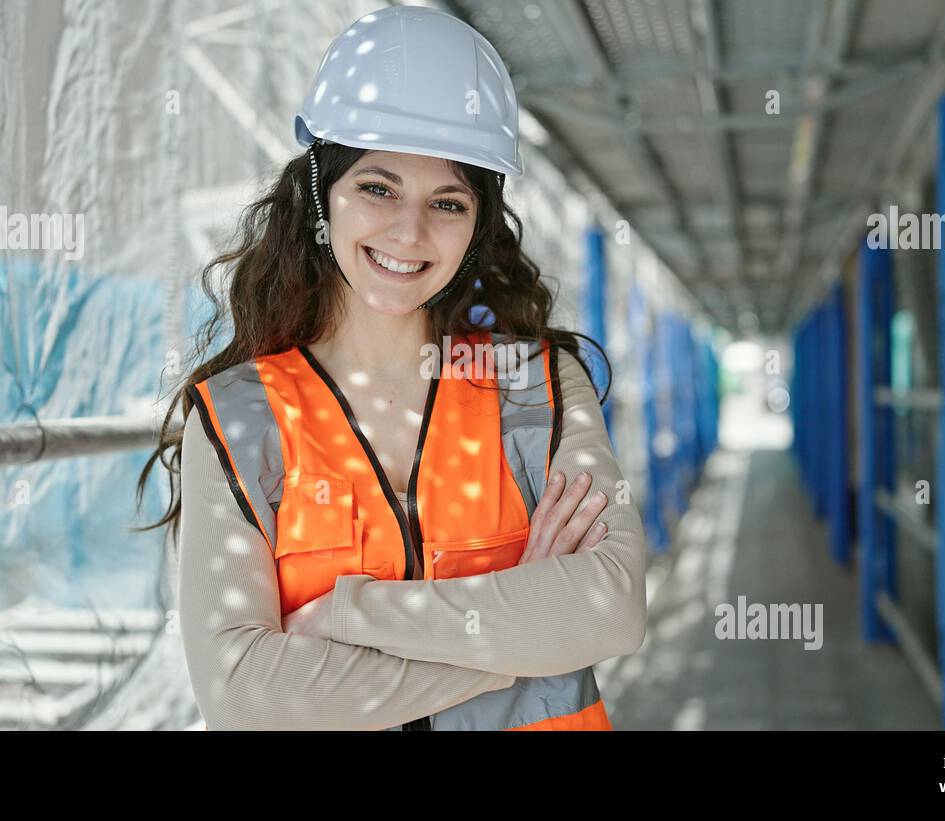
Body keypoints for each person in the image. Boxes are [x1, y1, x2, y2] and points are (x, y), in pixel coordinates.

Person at [135, 5, 647, 730]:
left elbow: (613, 607)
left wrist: (349, 610)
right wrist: (525, 622)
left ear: (477, 225)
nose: (410, 232)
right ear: (323, 191)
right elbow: (244, 696)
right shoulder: (237, 418)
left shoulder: (538, 385)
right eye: (377, 187)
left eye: (447, 202)